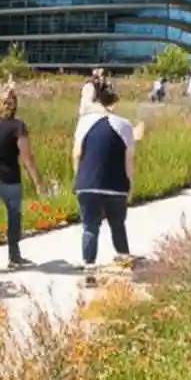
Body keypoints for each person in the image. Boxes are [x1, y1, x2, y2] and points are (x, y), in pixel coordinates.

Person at [0, 86, 46, 277]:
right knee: (14, 215)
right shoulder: (17, 126)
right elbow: (27, 157)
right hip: (8, 179)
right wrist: (38, 181)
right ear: (14, 106)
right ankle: (14, 255)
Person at [72, 82, 136, 287]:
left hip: (87, 183)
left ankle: (89, 267)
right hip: (115, 183)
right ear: (114, 102)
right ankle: (124, 259)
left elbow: (76, 153)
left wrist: (79, 176)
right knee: (117, 225)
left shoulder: (84, 122)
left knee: (90, 226)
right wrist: (129, 184)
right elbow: (129, 158)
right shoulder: (124, 125)